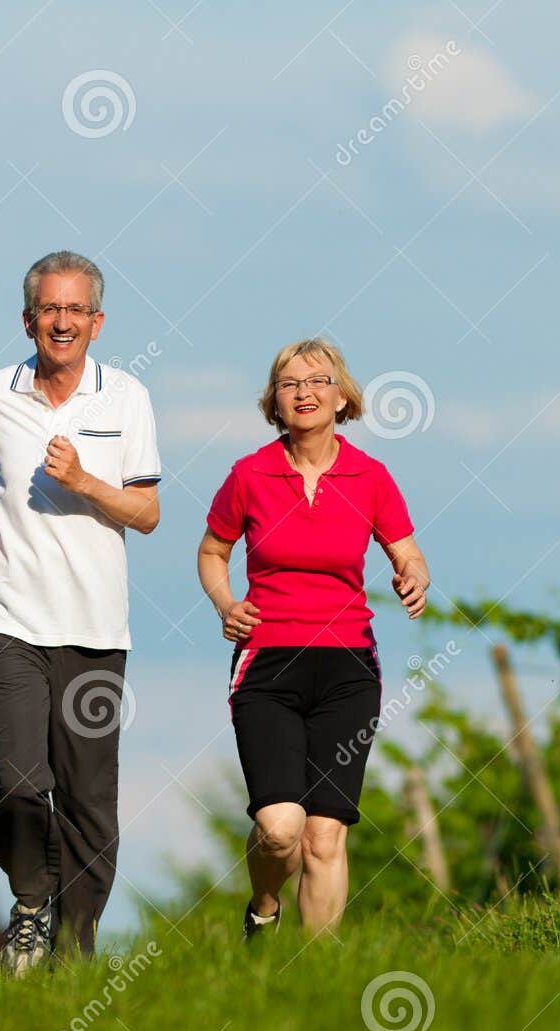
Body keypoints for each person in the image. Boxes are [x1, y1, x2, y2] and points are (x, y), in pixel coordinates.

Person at [0, 250, 162, 974]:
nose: (62, 322)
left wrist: (85, 481)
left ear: (97, 322)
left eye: (76, 310)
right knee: (14, 779)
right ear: (28, 319)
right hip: (7, 616)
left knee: (88, 801)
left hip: (96, 628)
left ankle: (73, 954)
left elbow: (147, 513)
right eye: (50, 309)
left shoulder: (127, 396)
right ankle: (31, 903)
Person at [197, 337, 429, 939]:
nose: (304, 393)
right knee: (281, 829)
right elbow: (213, 551)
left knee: (325, 836)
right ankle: (264, 908)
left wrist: (413, 576)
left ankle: (313, 975)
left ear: (341, 396)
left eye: (318, 381)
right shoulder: (249, 475)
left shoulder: (370, 476)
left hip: (348, 669)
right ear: (274, 401)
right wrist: (226, 603)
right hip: (267, 666)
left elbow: (407, 552)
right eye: (289, 384)